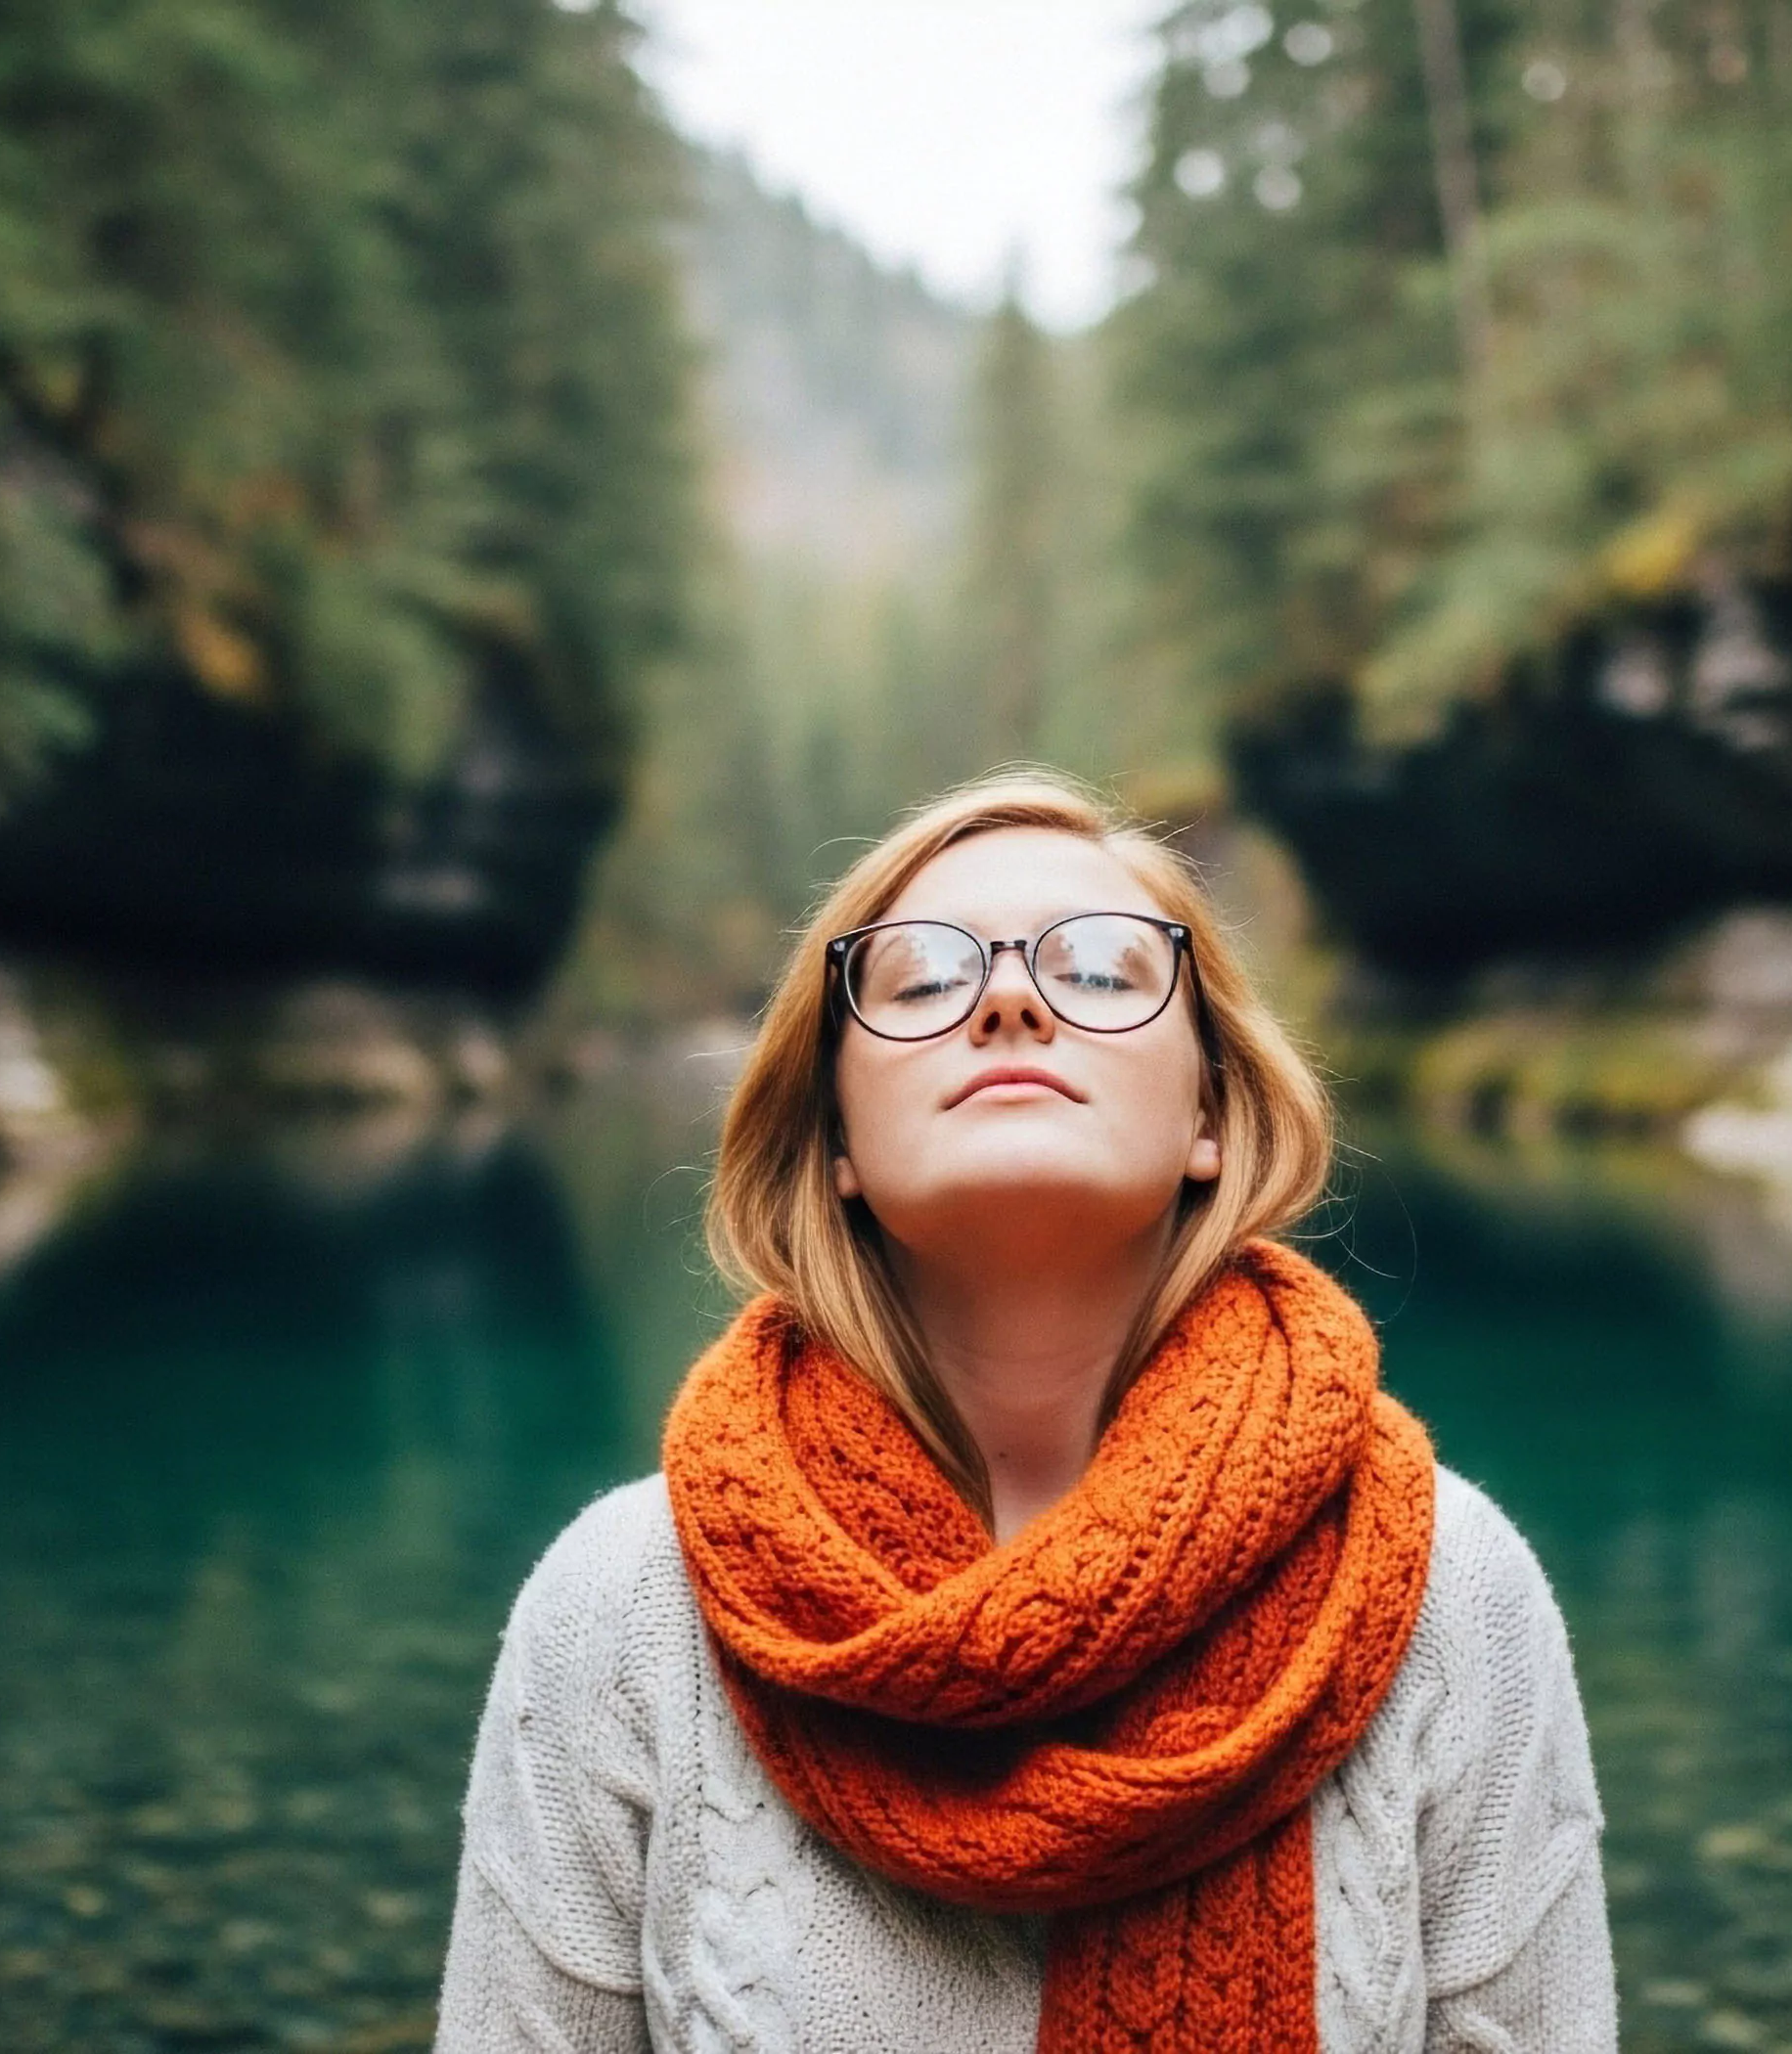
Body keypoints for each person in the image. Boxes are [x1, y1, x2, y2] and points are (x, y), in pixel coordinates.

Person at [431, 772, 1619, 2052]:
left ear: (1208, 1114)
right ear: (833, 1131)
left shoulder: (1440, 1585)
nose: (1006, 998)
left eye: (1101, 972)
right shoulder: (629, 1601)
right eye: (922, 980)